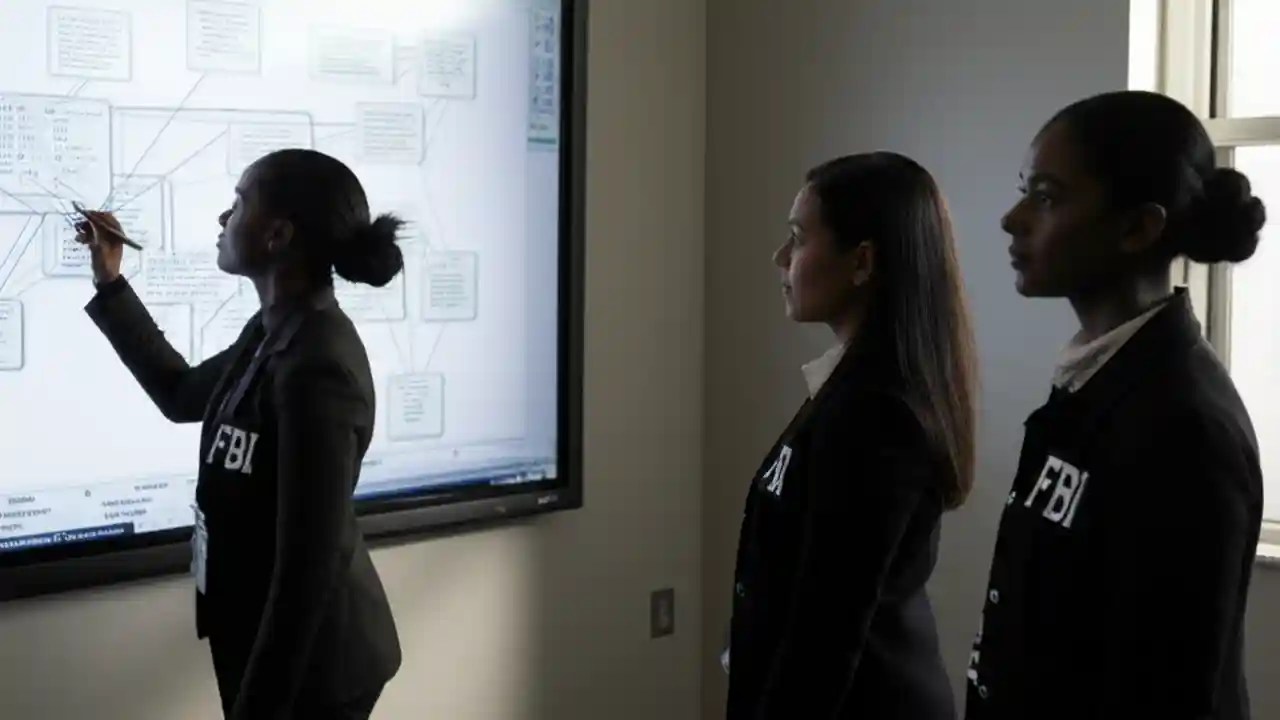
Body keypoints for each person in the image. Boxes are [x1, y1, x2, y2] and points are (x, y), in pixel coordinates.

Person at [966, 90, 1267, 719]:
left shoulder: (1183, 426)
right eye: (1024, 191)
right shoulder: (1099, 379)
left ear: (1137, 228)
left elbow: (1166, 690)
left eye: (1046, 197)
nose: (1012, 219)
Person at [76, 148, 403, 720]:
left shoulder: (317, 365)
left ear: (277, 235)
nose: (224, 219)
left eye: (239, 203)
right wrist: (110, 280)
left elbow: (307, 569)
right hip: (263, 640)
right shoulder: (275, 329)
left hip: (318, 668)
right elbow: (180, 394)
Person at [725, 152, 979, 718]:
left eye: (798, 238)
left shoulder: (875, 415)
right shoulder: (848, 392)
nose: (781, 258)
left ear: (862, 262)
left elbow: (826, 635)